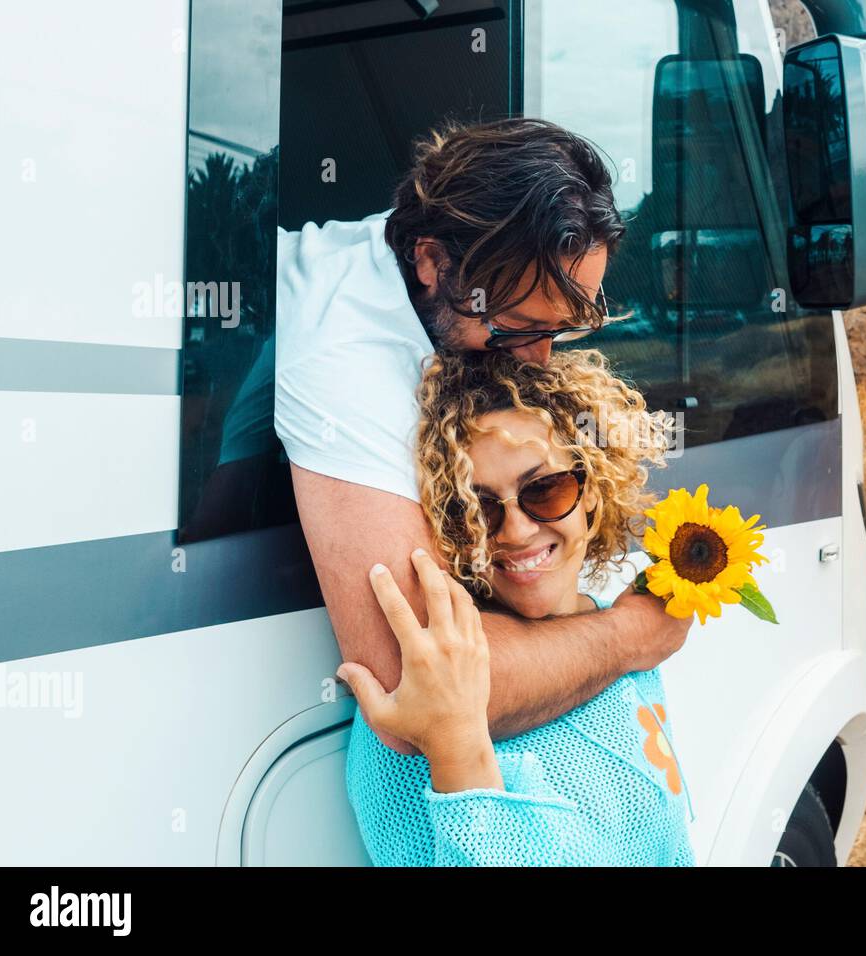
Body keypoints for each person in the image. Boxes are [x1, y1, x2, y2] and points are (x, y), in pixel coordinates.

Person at [274, 118, 693, 761]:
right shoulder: (340, 360)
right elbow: (422, 694)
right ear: (431, 262)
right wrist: (626, 637)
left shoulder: (450, 253)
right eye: (516, 329)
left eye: (564, 327)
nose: (539, 361)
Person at [337, 349, 693, 865]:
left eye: (545, 490)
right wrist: (457, 748)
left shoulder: (622, 637)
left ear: (591, 489)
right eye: (474, 509)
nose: (516, 531)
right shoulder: (422, 701)